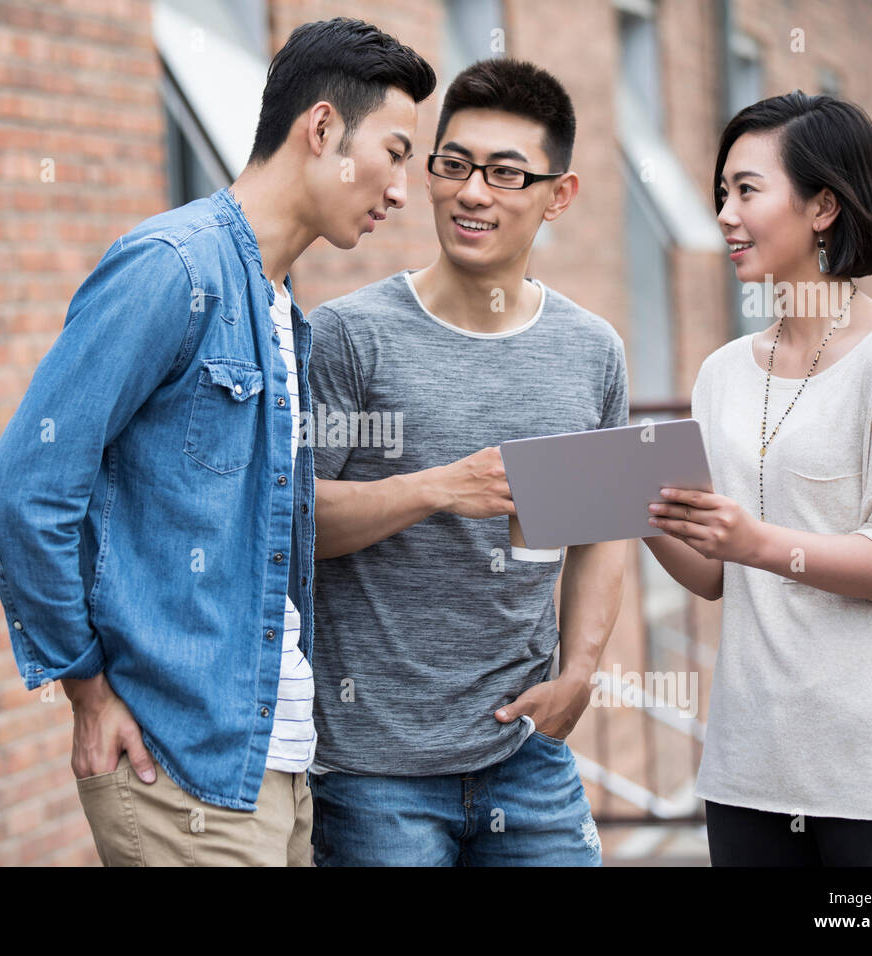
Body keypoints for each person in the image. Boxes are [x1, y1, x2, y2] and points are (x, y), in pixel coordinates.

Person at [0, 17, 435, 867]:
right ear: (323, 128)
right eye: (397, 151)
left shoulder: (280, 309)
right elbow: (21, 487)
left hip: (276, 762)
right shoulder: (172, 269)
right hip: (179, 769)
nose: (402, 189)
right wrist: (85, 688)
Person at [645, 90, 872, 866]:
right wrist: (639, 508)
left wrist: (760, 541)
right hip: (748, 774)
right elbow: (711, 573)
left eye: (747, 190)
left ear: (823, 206)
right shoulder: (721, 374)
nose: (726, 214)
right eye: (721, 194)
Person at [305, 58, 629, 866]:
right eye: (451, 165)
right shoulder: (350, 336)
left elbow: (605, 531)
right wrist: (442, 488)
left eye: (504, 173)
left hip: (527, 756)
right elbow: (292, 520)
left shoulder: (591, 352)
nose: (471, 192)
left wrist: (580, 672)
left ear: (560, 194)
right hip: (376, 773)